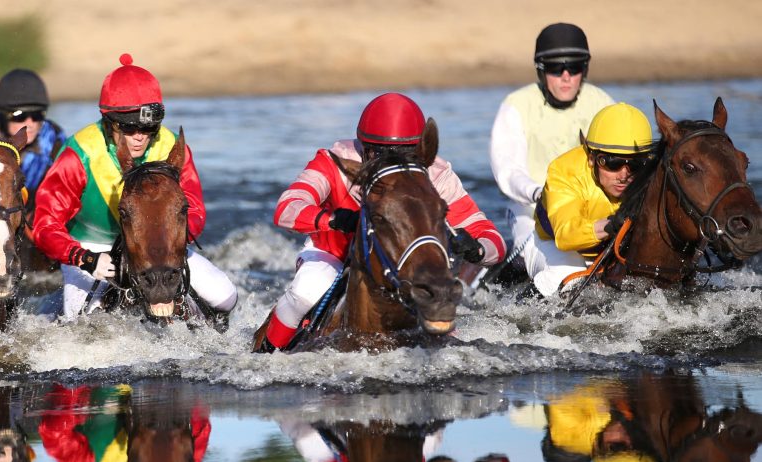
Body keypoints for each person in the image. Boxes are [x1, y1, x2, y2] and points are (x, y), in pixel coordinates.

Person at [260, 92, 506, 352]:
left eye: (406, 153)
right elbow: (287, 208)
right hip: (333, 253)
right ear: (365, 149)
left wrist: (477, 249)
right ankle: (263, 357)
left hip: (402, 262)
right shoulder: (333, 162)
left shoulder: (438, 176)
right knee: (304, 293)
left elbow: (493, 239)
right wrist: (334, 220)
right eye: (381, 153)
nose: (393, 162)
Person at [31, 54, 237, 321]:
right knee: (82, 324)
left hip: (159, 243)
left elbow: (194, 210)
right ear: (110, 123)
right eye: (129, 128)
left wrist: (167, 242)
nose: (139, 136)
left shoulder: (173, 147)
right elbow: (45, 225)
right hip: (94, 246)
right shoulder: (78, 155)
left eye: (148, 127)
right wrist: (83, 258)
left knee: (225, 296)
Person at [490, 23, 614, 266]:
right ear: (541, 70)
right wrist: (538, 193)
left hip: (592, 206)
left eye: (574, 67)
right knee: (555, 262)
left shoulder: (603, 103)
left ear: (584, 70)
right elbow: (508, 171)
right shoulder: (515, 105)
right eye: (556, 69)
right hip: (530, 209)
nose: (566, 76)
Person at [523, 102, 656, 297]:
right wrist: (611, 225)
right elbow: (566, 236)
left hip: (610, 249)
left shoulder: (651, 172)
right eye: (613, 163)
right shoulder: (563, 171)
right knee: (570, 275)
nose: (624, 175)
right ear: (592, 158)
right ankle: (526, 307)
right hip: (554, 246)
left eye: (635, 164)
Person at [0, 69, 68, 210]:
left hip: (39, 214)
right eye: (20, 116)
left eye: (37, 115)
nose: (30, 123)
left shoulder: (54, 139)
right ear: (4, 115)